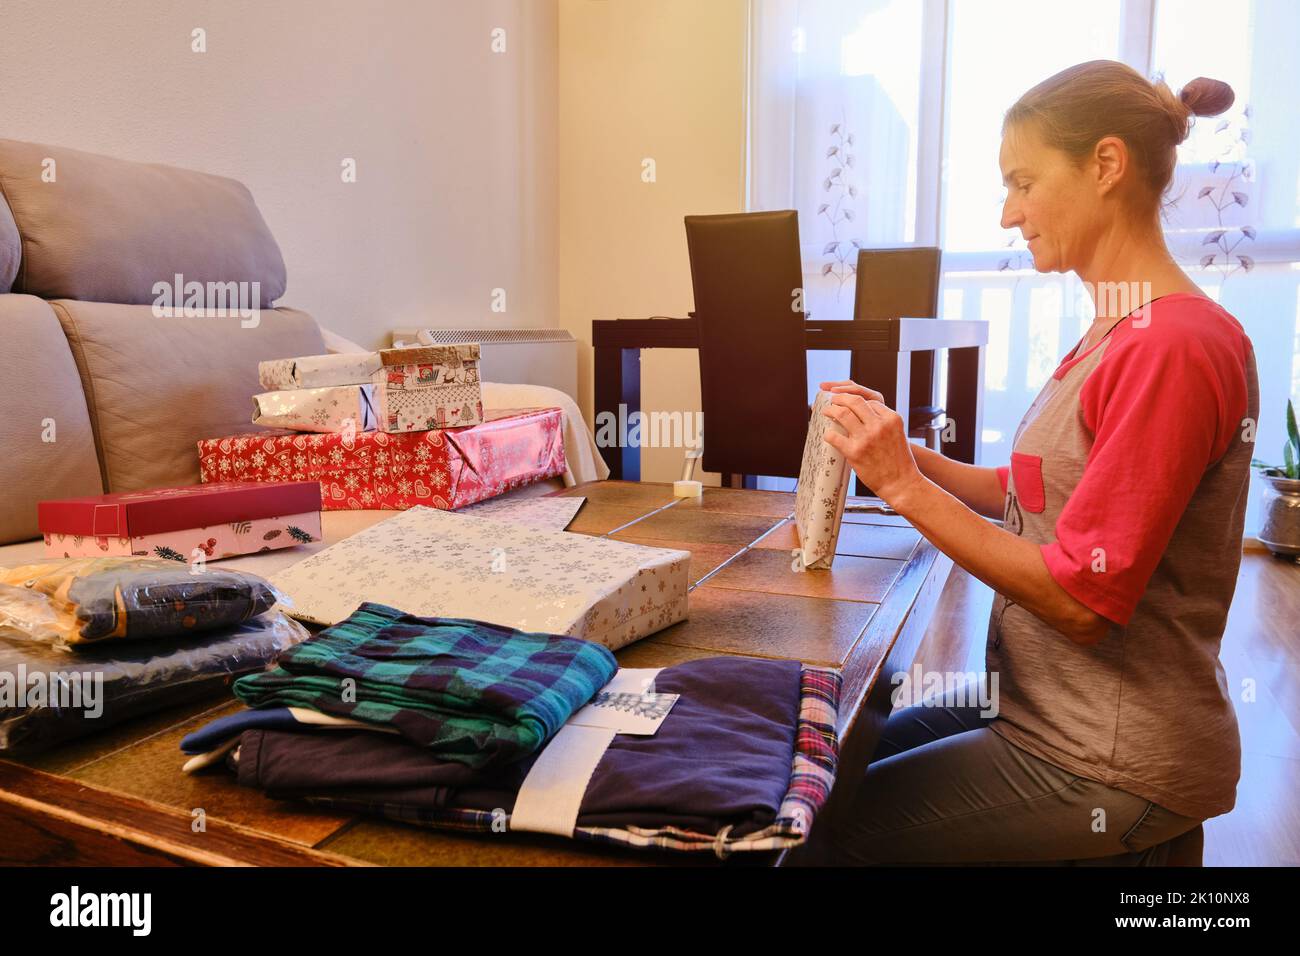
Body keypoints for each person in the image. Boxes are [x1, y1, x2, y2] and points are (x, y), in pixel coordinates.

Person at [816, 60, 1257, 864]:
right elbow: (1027, 494)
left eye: (1023, 182)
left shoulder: (1175, 347)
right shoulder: (1117, 331)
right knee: (826, 760)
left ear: (1107, 165)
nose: (1009, 211)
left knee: (813, 836)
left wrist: (906, 488)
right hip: (1038, 706)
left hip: (1108, 753)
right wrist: (896, 451)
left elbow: (1083, 602)